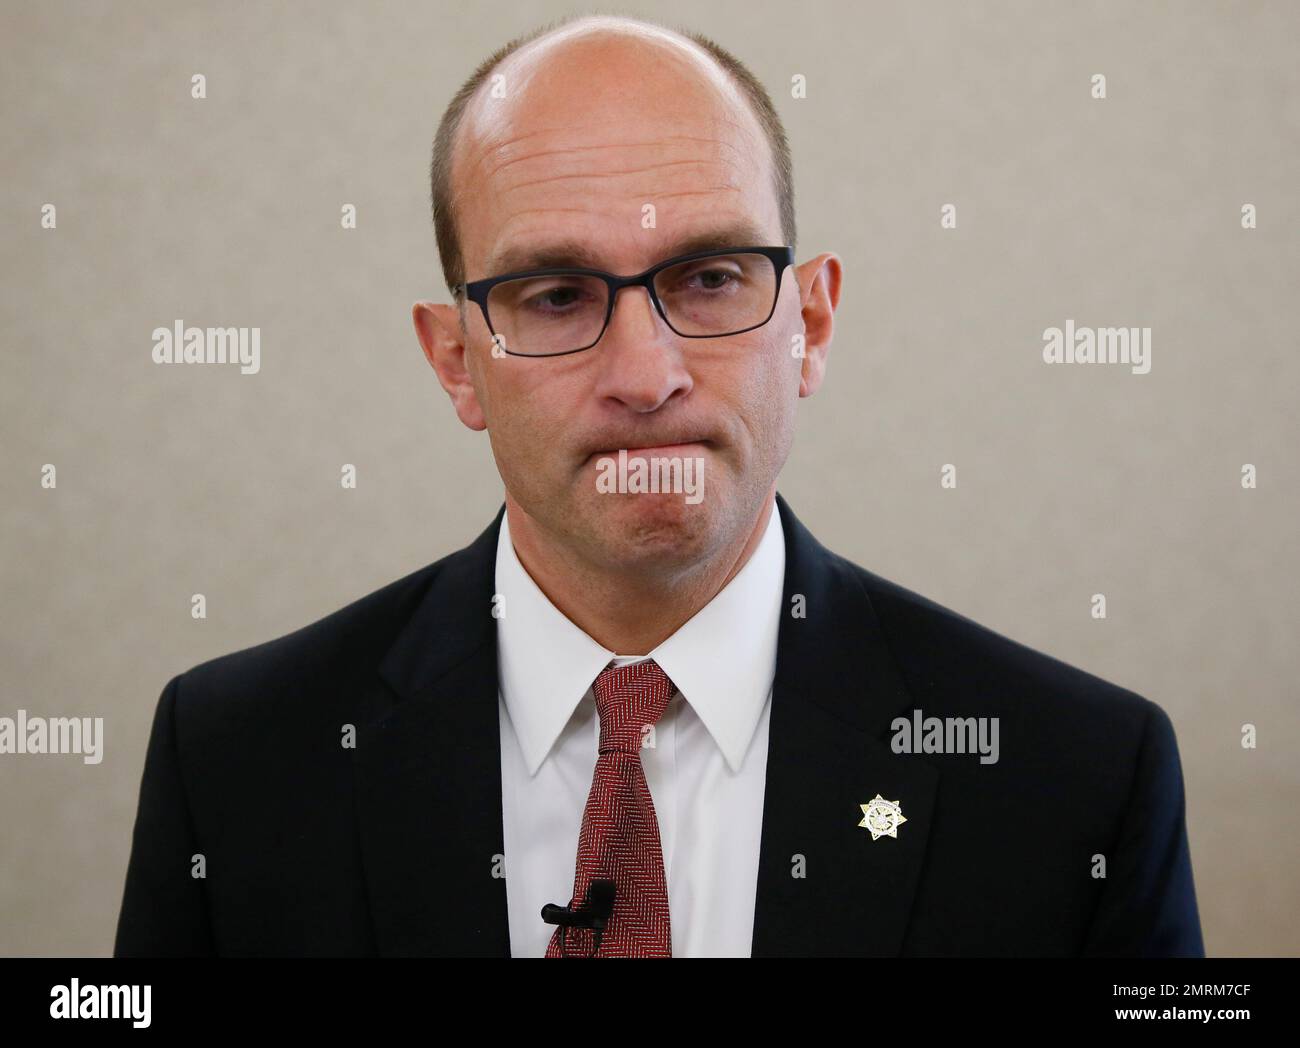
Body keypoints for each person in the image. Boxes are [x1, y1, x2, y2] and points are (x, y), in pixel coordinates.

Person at [115, 13, 1203, 957]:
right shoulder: (237, 762)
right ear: (456, 362)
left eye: (712, 277)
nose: (646, 377)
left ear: (811, 323)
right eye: (556, 295)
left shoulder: (1079, 780)